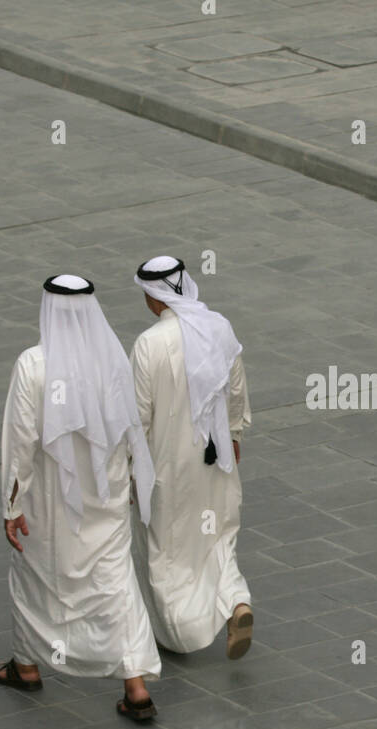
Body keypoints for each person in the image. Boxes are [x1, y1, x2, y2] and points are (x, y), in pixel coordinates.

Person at [0, 274, 163, 721]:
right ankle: (136, 686)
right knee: (115, 583)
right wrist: (129, 479)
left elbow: (20, 442)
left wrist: (12, 506)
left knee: (36, 579)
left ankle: (27, 665)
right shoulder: (112, 361)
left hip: (50, 503)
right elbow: (131, 428)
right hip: (106, 495)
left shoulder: (33, 364)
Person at [130, 256, 254, 660]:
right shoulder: (219, 327)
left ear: (153, 297)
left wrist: (132, 469)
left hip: (169, 465)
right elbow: (235, 389)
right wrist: (233, 432)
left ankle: (181, 633)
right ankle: (236, 601)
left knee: (170, 547)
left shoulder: (150, 343)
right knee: (219, 536)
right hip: (216, 459)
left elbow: (138, 415)